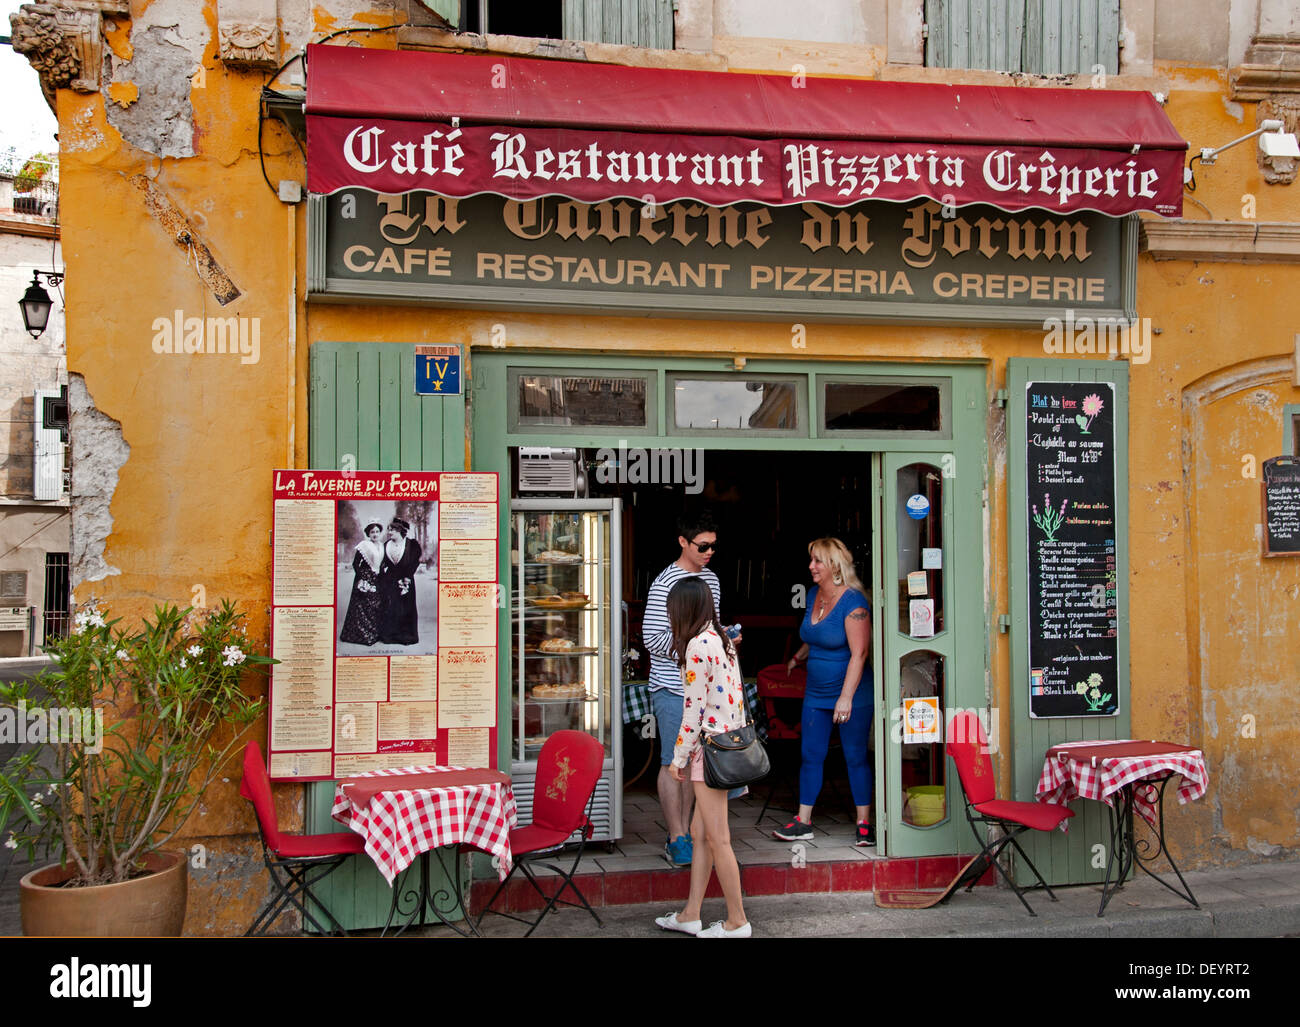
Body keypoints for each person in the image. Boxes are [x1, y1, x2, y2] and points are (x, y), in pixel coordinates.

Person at [653, 577, 750, 938]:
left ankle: (737, 920)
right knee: (701, 832)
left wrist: (677, 759)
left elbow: (692, 712)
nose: (668, 616)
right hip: (725, 746)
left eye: (671, 610)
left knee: (718, 839)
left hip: (707, 751)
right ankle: (691, 914)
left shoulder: (696, 646)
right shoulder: (722, 640)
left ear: (682, 610)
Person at [773, 537, 875, 847]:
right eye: (812, 560)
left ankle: (864, 824)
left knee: (855, 756)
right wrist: (797, 657)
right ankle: (803, 821)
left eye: (817, 561)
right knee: (810, 755)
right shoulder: (815, 594)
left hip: (852, 694)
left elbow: (859, 654)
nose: (811, 567)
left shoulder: (854, 602)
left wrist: (845, 697)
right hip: (816, 693)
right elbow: (816, 635)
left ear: (833, 566)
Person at [641, 510, 723, 868]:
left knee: (695, 763)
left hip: (706, 689)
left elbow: (712, 627)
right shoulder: (664, 584)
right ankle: (676, 836)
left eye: (713, 546)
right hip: (673, 687)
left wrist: (724, 637)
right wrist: (694, 646)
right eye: (702, 546)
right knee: (672, 762)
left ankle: (689, 830)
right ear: (682, 543)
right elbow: (652, 639)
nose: (708, 553)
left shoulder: (713, 581)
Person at [339, 522, 384, 645]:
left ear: (380, 533)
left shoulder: (382, 546)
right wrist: (362, 579)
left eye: (377, 532)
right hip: (365, 577)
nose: (375, 534)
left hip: (377, 578)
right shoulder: (364, 545)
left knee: (376, 605)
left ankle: (374, 634)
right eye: (372, 532)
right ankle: (362, 635)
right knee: (362, 606)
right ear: (368, 534)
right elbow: (355, 564)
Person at [378, 517, 421, 645]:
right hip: (390, 581)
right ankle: (391, 635)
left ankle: (407, 636)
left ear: (400, 531)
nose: (389, 532)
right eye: (389, 530)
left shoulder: (411, 544)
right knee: (392, 606)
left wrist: (407, 576)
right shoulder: (386, 545)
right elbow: (383, 563)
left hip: (406, 579)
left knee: (406, 607)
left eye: (392, 530)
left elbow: (415, 562)